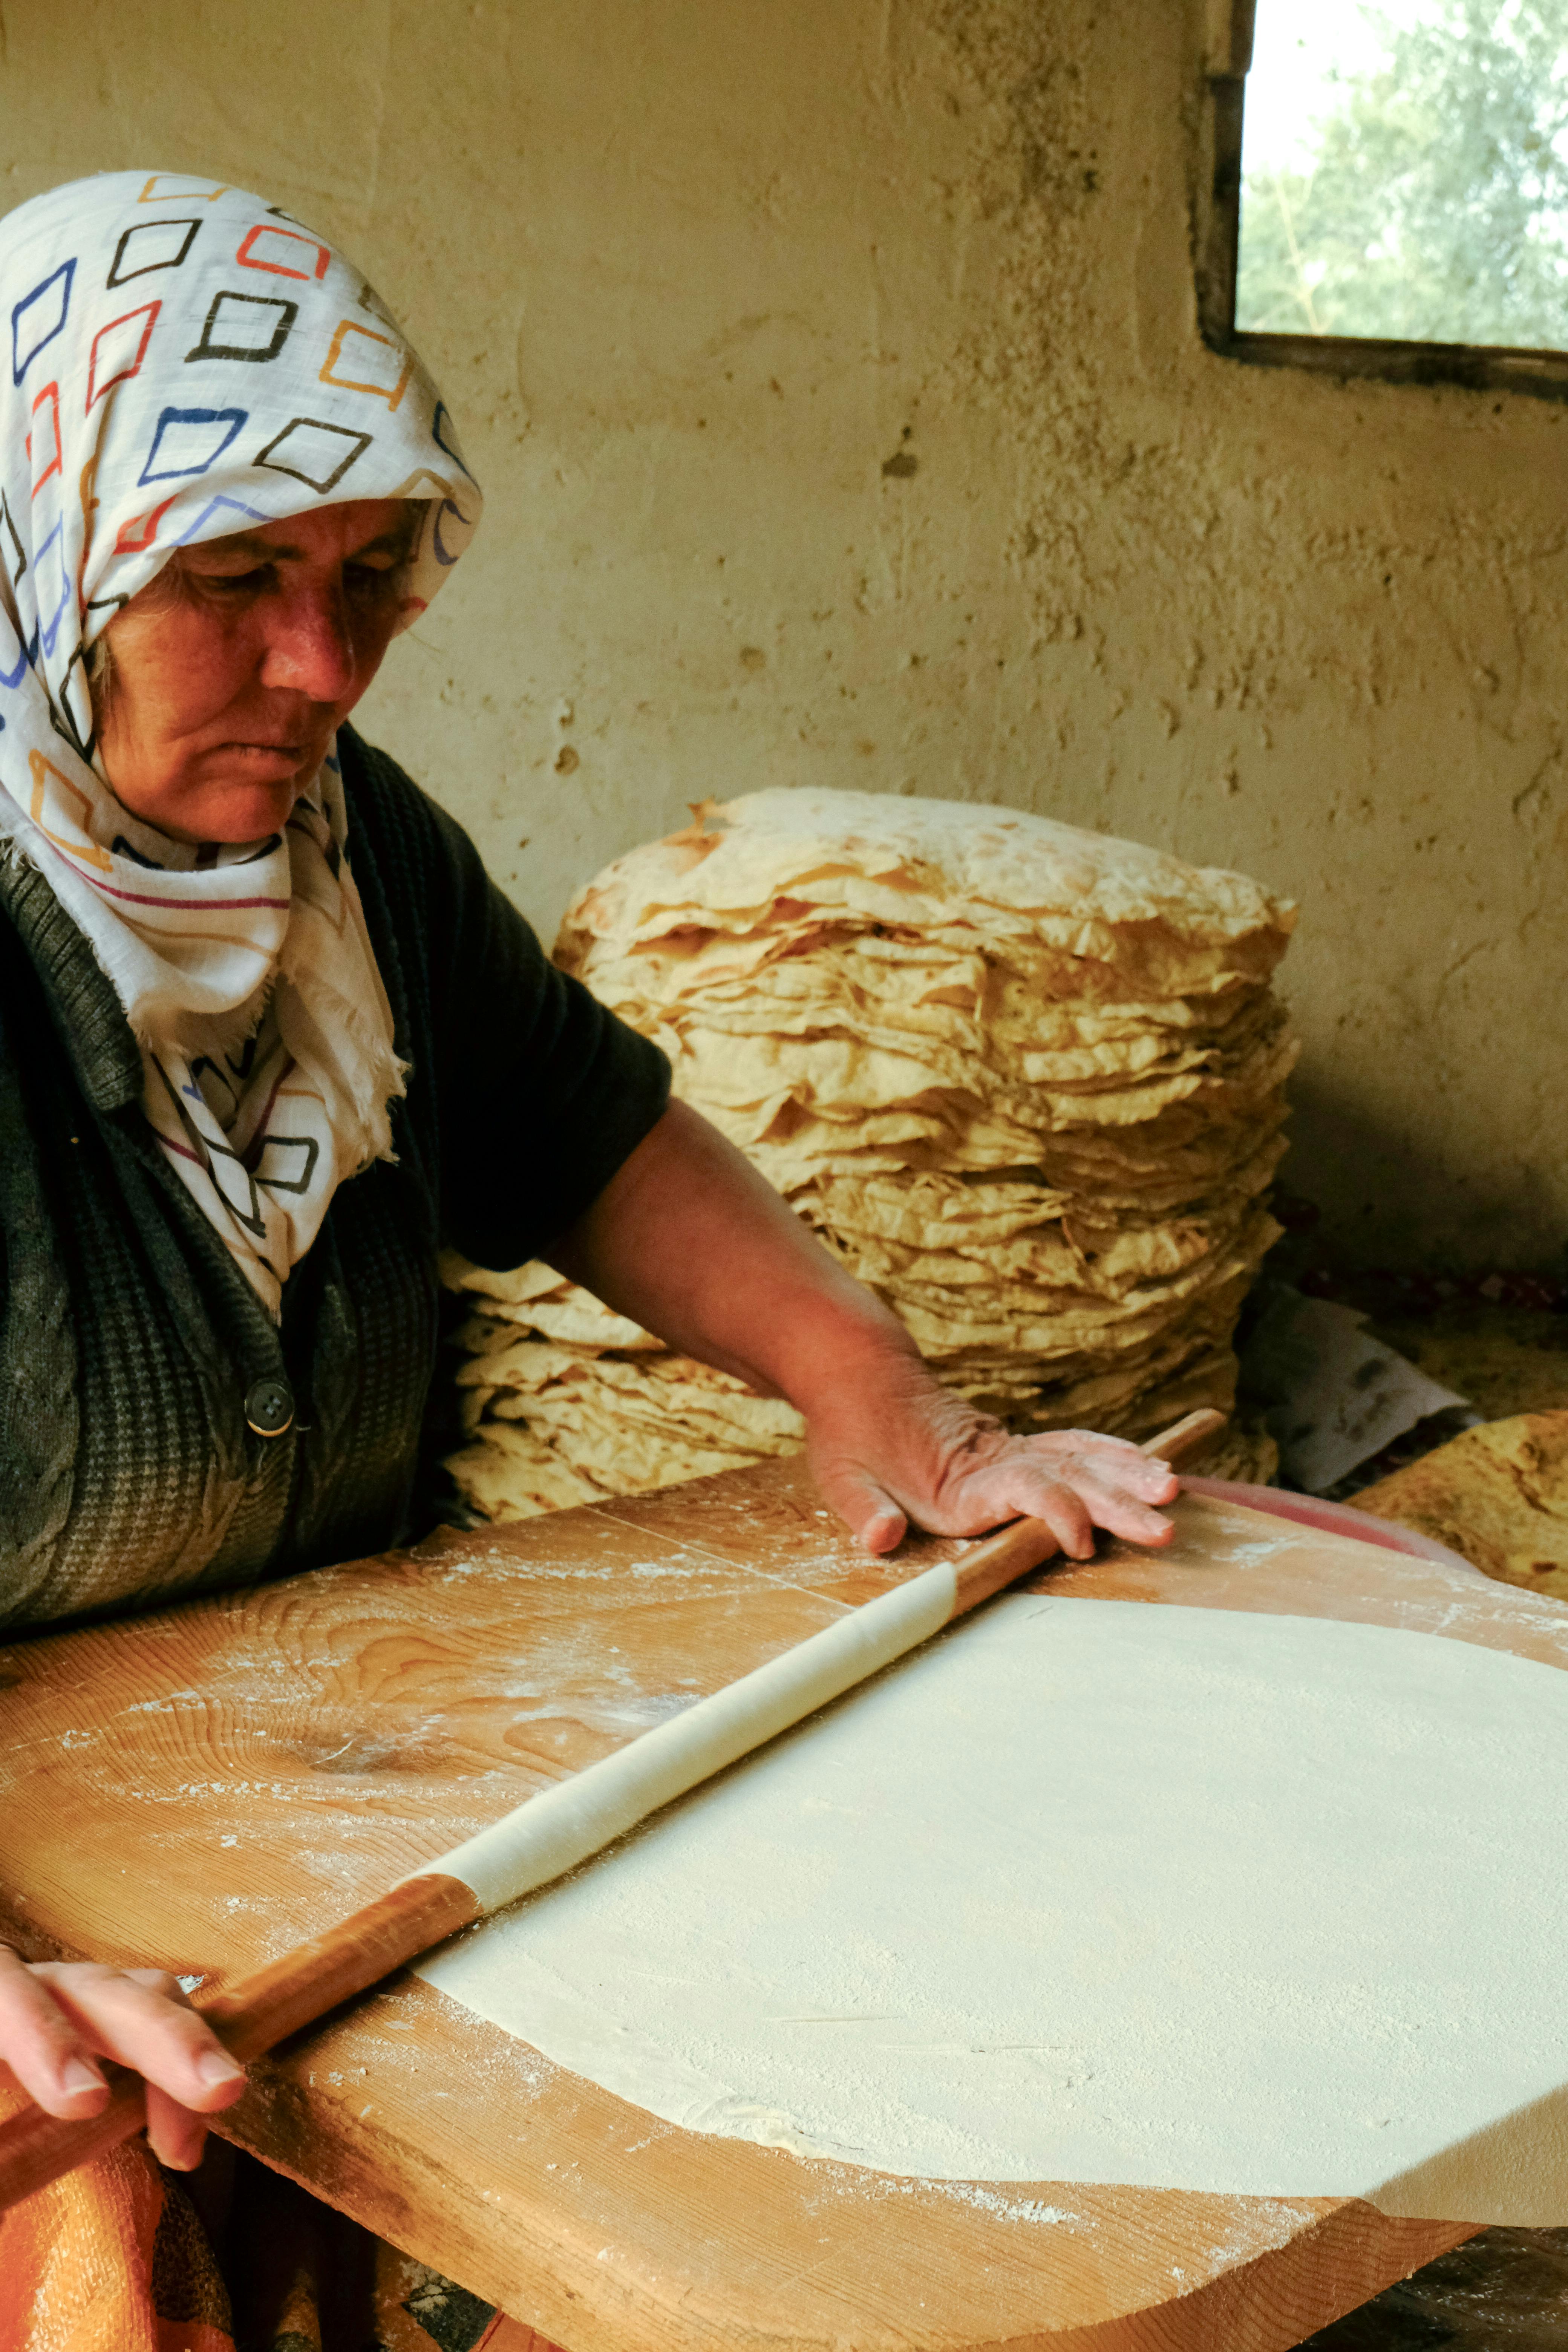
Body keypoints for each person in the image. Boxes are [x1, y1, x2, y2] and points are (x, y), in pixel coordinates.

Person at [0, 173, 1178, 2342]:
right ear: (42, 559)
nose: (324, 666)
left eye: (369, 581)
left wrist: (889, 1400)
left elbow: (601, 1145)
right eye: (235, 579)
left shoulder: (354, 866)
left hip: (295, 1805)